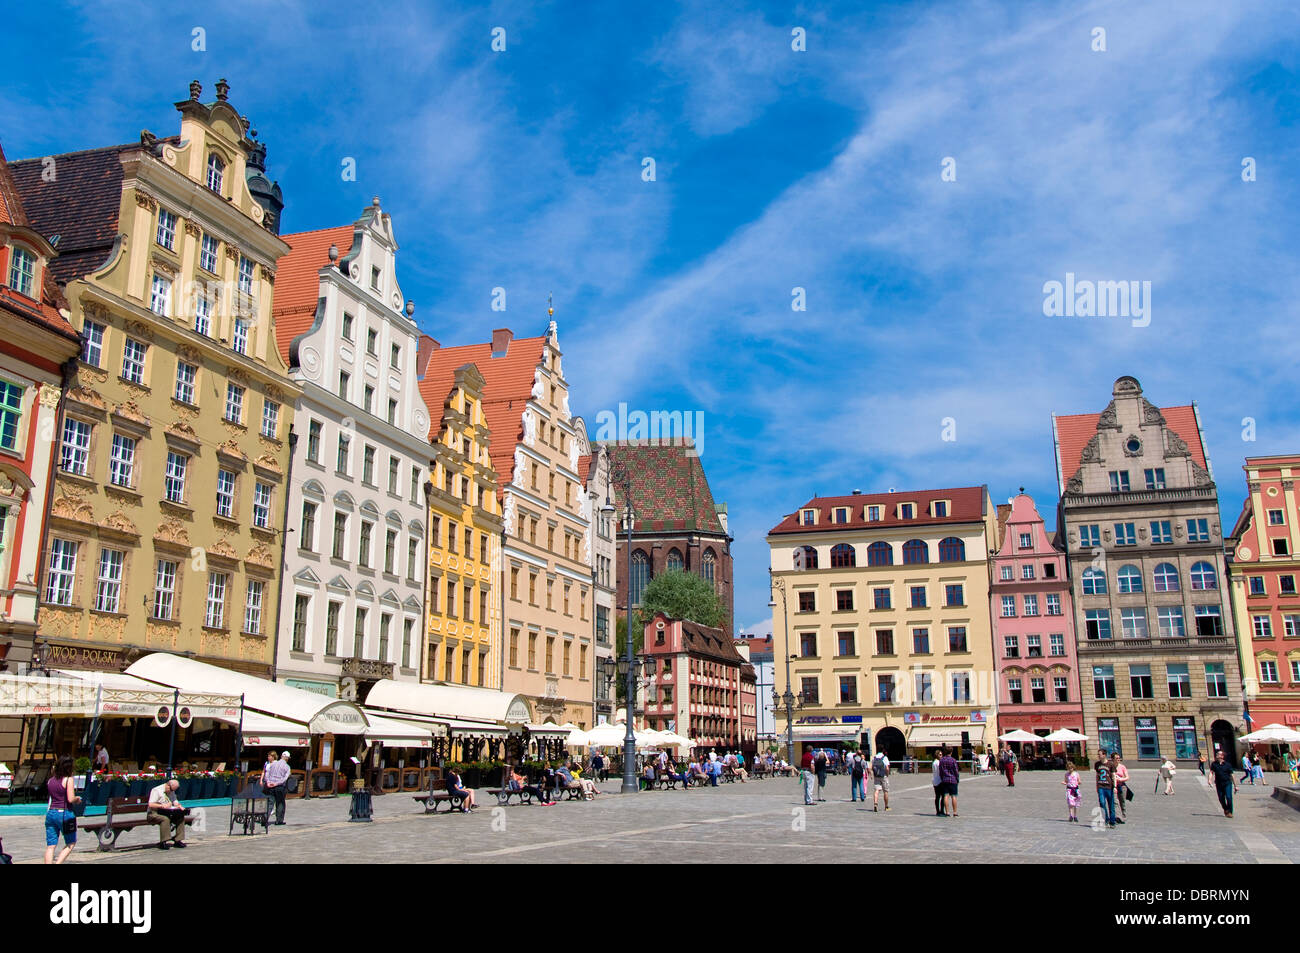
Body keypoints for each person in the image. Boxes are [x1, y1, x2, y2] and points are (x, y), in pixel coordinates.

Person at [44, 755, 82, 864]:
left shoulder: (50, 781)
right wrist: (77, 799)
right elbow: (70, 799)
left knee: (51, 845)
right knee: (71, 843)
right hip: (65, 813)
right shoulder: (68, 779)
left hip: (51, 813)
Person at [147, 777, 188, 849]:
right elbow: (150, 804)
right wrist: (162, 806)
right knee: (165, 819)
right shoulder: (156, 790)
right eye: (171, 790)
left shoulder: (171, 791)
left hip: (167, 812)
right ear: (168, 785)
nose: (171, 792)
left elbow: (175, 801)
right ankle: (164, 841)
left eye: (173, 790)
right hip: (154, 813)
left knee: (180, 817)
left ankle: (178, 840)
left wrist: (179, 806)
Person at [263, 750, 291, 825]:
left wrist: (268, 782)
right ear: (287, 758)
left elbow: (267, 774)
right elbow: (285, 778)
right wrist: (276, 783)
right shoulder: (287, 767)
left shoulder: (273, 764)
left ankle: (264, 819)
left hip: (270, 786)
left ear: (281, 756)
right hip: (279, 787)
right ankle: (279, 821)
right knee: (280, 803)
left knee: (270, 803)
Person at [1209, 749, 1237, 818]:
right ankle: (1225, 809)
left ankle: (1230, 812)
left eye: (1218, 754)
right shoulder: (1214, 764)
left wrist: (1236, 786)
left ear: (1222, 756)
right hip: (1219, 783)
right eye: (1217, 754)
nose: (1216, 755)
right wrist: (1209, 780)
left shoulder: (1228, 765)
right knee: (1221, 798)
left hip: (1227, 783)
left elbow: (1232, 775)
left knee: (1228, 797)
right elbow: (1211, 772)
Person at [1094, 750, 1117, 829]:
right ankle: (1106, 819)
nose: (1098, 756)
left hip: (1109, 787)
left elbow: (1114, 776)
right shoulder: (1097, 764)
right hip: (1101, 786)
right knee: (1102, 803)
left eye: (1099, 754)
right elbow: (1097, 776)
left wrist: (1115, 786)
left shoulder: (1110, 764)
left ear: (1104, 755)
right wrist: (1097, 786)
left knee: (1111, 805)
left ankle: (1112, 821)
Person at [938, 746, 960, 817]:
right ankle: (955, 812)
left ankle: (947, 812)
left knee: (946, 796)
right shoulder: (953, 760)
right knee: (954, 796)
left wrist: (942, 778)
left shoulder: (941, 760)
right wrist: (957, 778)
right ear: (951, 752)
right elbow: (956, 771)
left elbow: (940, 771)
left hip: (944, 780)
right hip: (953, 780)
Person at [1113, 756, 1129, 823]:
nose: (1118, 759)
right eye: (1116, 758)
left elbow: (1127, 777)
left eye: (1119, 758)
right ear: (1113, 759)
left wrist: (1121, 779)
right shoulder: (1111, 766)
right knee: (1115, 802)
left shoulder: (1122, 767)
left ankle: (1124, 816)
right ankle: (1117, 817)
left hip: (1122, 786)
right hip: (1114, 786)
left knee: (1122, 801)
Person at [932, 751, 945, 816]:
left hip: (935, 781)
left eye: (941, 754)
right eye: (940, 754)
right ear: (937, 755)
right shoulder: (938, 762)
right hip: (939, 781)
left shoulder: (934, 762)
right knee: (943, 796)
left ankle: (937, 811)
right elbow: (940, 772)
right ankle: (941, 810)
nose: (941, 756)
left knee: (937, 797)